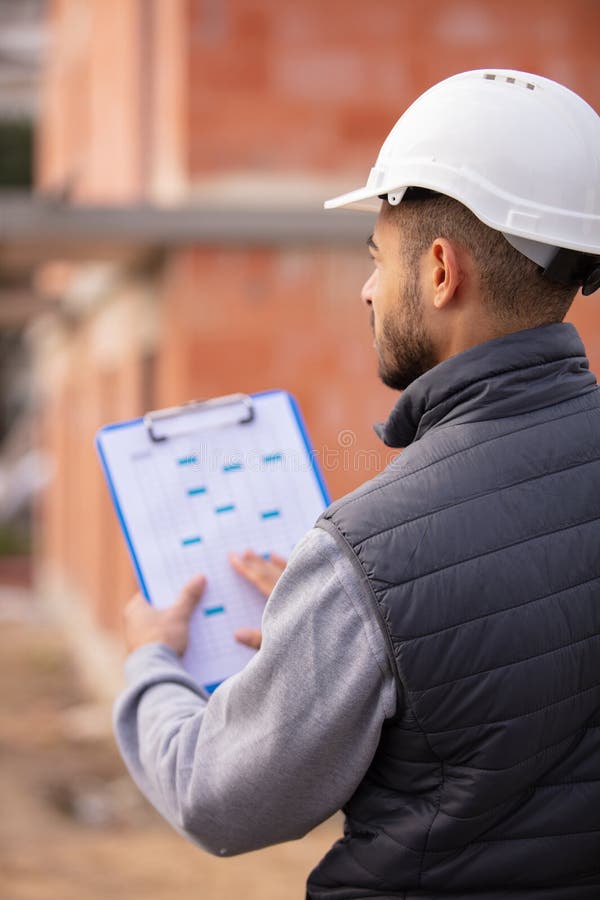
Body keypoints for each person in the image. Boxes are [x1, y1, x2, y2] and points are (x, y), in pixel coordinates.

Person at [114, 69, 600, 898]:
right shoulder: (369, 569)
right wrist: (346, 656)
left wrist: (150, 664)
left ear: (441, 272)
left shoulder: (369, 549)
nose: (368, 290)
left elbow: (220, 798)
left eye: (378, 258)